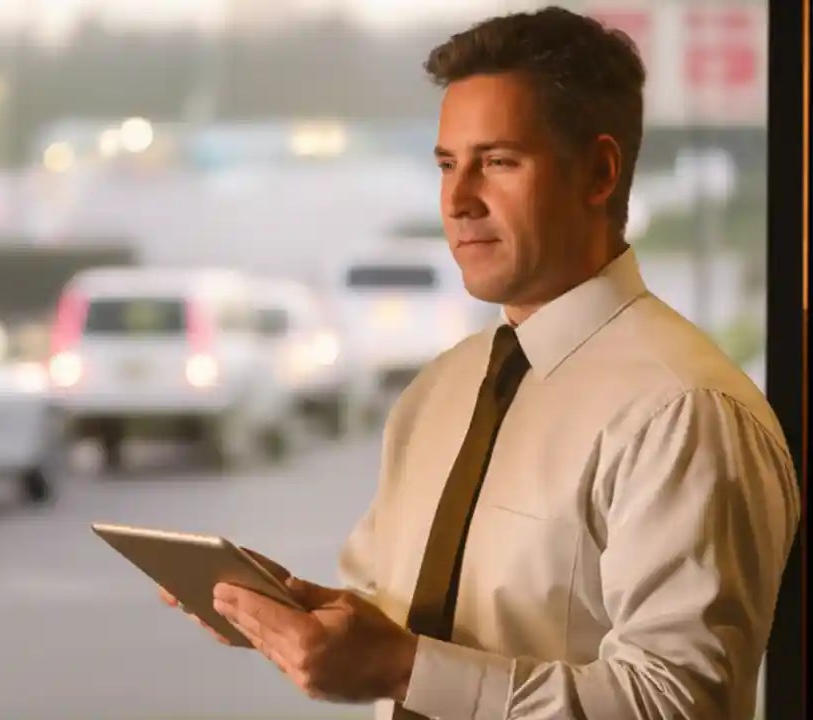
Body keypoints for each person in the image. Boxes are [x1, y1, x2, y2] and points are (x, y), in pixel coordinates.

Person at [159, 7, 800, 719]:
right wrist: (301, 619)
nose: (459, 200)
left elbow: (677, 704)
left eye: (497, 162)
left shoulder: (682, 411)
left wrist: (402, 667)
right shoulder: (442, 389)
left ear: (598, 173)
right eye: (446, 165)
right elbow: (400, 617)